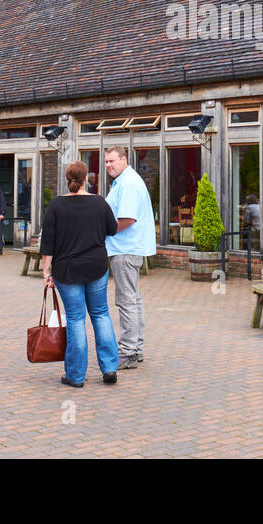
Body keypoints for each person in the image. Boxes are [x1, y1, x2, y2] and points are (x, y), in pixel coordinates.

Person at [41, 160, 120, 387]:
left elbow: (48, 242)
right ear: (87, 179)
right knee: (101, 314)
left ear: (68, 180)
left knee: (76, 318)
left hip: (67, 270)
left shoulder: (56, 205)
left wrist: (47, 271)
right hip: (96, 266)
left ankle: (76, 375)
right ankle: (110, 368)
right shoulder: (99, 203)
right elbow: (112, 229)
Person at [103, 146, 156, 370]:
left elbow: (127, 219)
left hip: (124, 250)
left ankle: (128, 351)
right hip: (127, 248)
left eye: (112, 161)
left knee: (126, 302)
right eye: (106, 162)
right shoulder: (124, 181)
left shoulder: (128, 183)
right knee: (133, 300)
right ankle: (136, 348)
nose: (108, 165)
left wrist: (103, 231)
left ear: (124, 160)